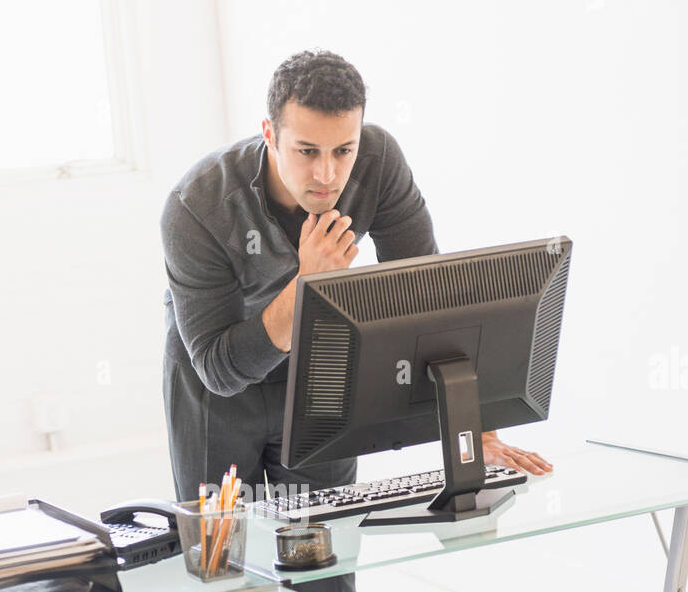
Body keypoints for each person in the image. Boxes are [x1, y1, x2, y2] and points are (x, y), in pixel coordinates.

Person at [160, 49, 551, 503]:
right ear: (270, 134)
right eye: (306, 151)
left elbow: (429, 304)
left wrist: (477, 430)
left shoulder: (378, 162)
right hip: (217, 381)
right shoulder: (196, 205)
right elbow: (218, 370)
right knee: (222, 557)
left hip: (317, 369)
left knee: (326, 550)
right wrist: (307, 284)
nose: (327, 174)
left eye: (343, 150)